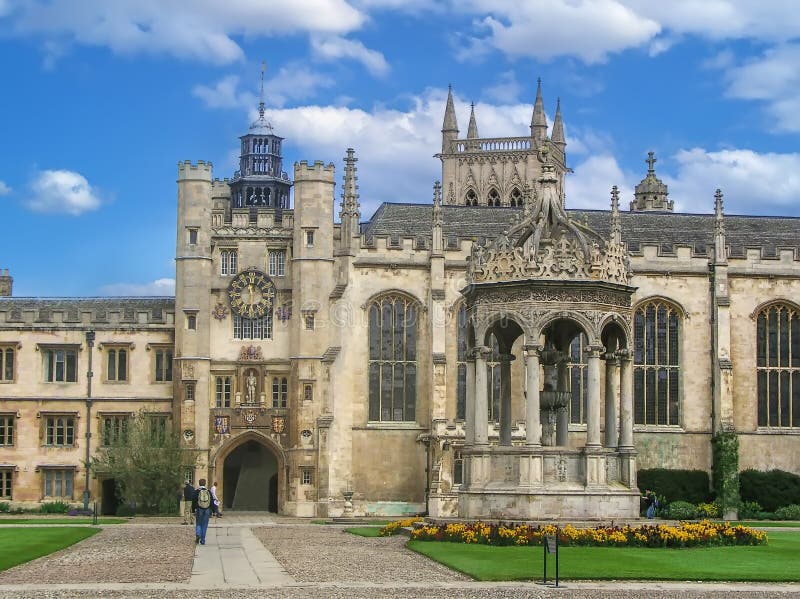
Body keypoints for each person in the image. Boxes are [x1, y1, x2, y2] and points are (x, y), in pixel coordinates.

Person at [192, 478, 212, 545]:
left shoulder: (197, 491)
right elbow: (211, 501)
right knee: (204, 525)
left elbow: (194, 501)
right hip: (207, 509)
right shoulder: (208, 491)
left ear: (199, 483)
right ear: (205, 483)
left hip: (199, 509)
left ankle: (198, 534)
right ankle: (203, 540)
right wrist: (212, 511)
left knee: (198, 523)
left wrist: (193, 510)